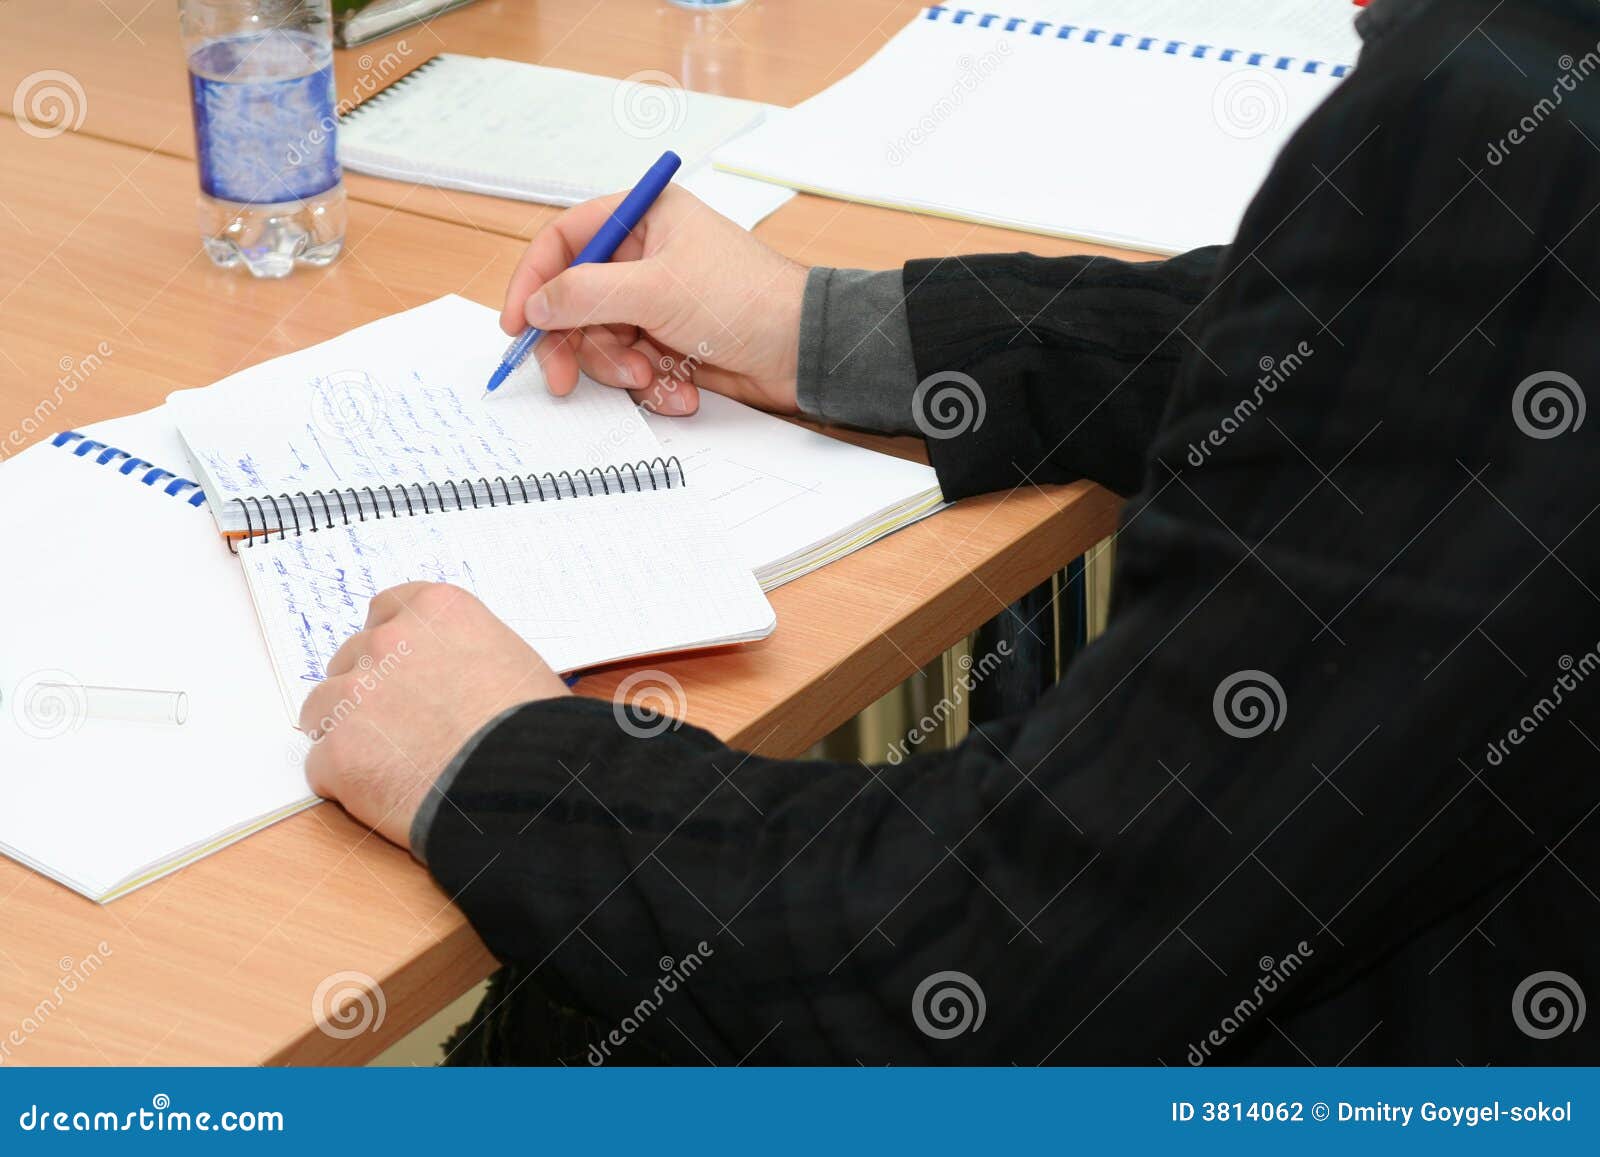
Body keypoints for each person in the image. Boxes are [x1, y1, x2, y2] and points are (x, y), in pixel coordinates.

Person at [301, 0, 1600, 1064]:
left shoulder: (1496, 127)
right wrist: (812, 331)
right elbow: (1360, 346)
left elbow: (1003, 956)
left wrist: (502, 761)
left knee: (585, 1027)